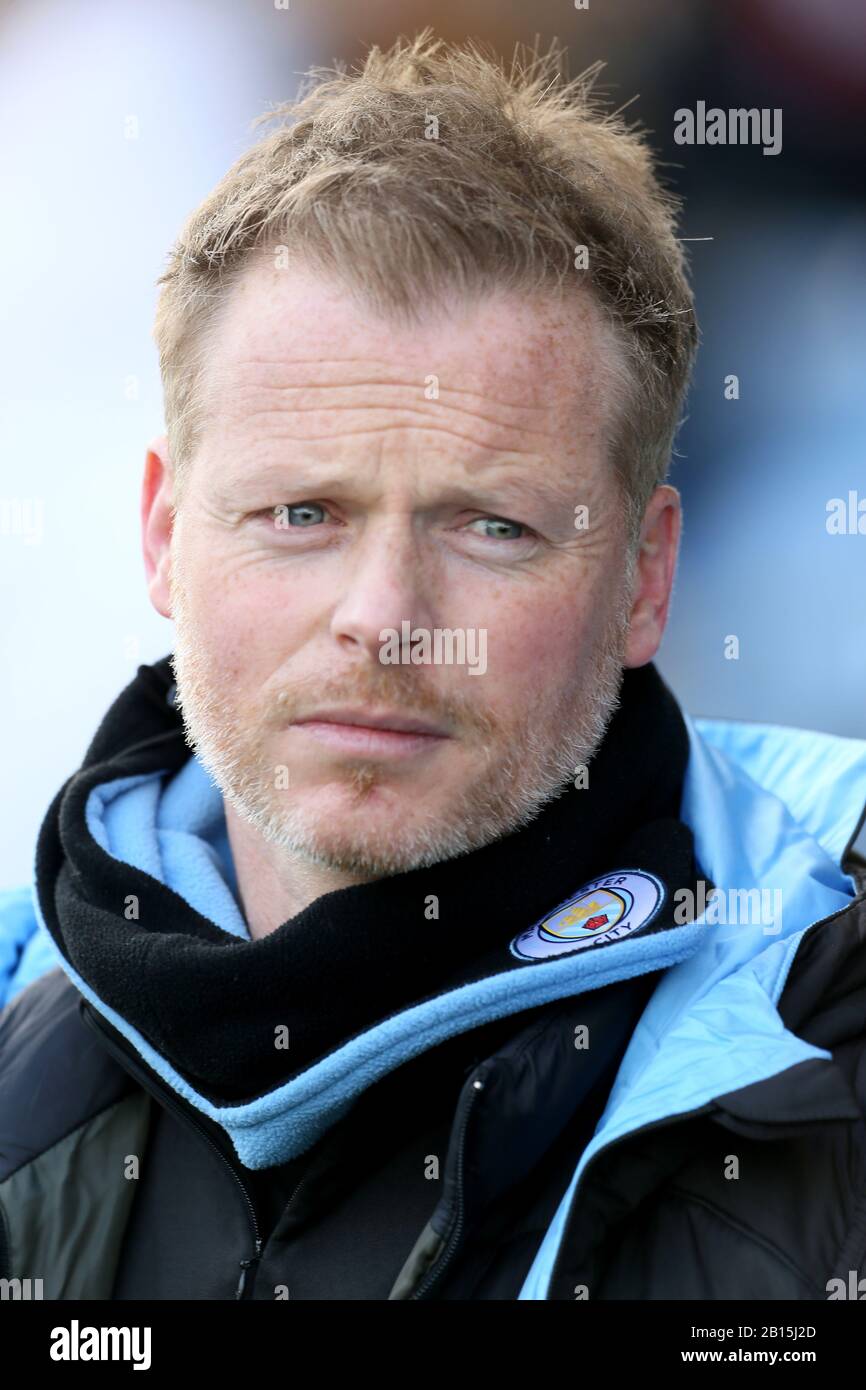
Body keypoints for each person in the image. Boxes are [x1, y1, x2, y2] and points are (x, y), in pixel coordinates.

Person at [2, 31, 865, 1302]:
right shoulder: (23, 1006)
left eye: (491, 526)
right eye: (301, 514)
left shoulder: (831, 983)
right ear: (163, 536)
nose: (384, 618)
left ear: (644, 577)